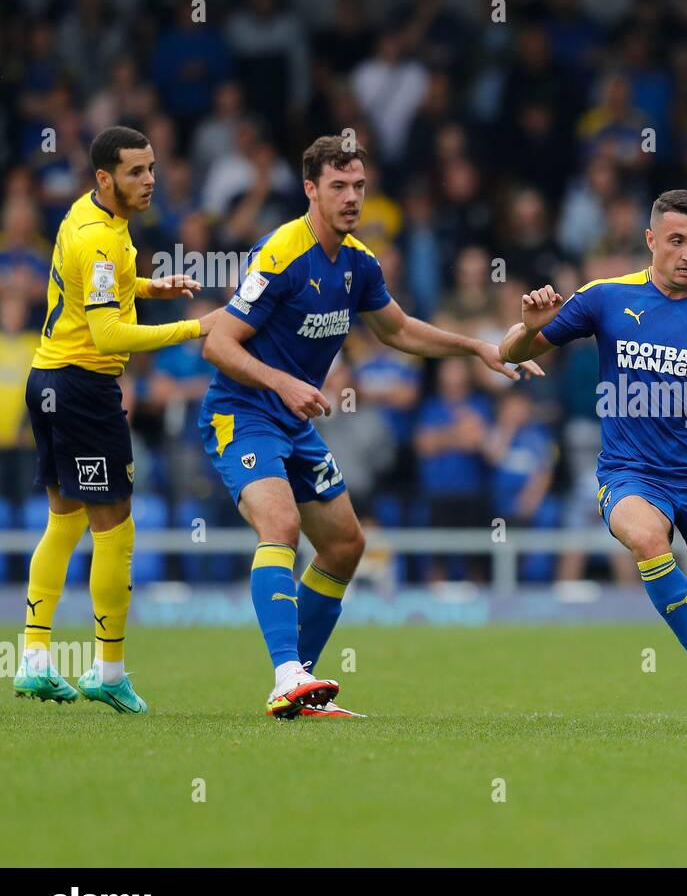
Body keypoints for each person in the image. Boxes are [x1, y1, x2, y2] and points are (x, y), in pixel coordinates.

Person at [198, 135, 541, 719]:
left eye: (359, 185)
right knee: (279, 524)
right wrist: (281, 382)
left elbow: (398, 330)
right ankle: (285, 674)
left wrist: (477, 347)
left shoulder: (359, 261)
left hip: (294, 420)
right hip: (244, 413)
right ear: (311, 189)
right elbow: (218, 343)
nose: (352, 197)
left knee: (344, 545)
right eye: (338, 186)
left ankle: (296, 684)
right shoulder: (279, 253)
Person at [500, 190, 687, 730]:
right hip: (630, 471)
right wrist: (527, 325)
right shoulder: (604, 299)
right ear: (651, 240)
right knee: (646, 539)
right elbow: (510, 354)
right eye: (677, 240)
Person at [16, 126, 218, 712]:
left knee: (65, 523)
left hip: (47, 379)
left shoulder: (85, 215)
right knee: (115, 531)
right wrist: (195, 327)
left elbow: (96, 292)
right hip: (83, 387)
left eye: (152, 167)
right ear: (105, 178)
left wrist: (155, 287)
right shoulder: (102, 239)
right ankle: (109, 671)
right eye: (136, 172)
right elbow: (106, 331)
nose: (150, 180)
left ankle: (33, 660)